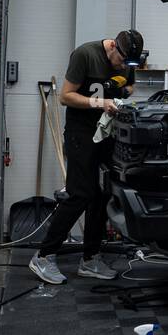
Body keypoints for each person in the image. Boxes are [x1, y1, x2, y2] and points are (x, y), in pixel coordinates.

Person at [29, 29, 146, 285]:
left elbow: (130, 85)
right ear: (113, 46)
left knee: (102, 194)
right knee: (80, 193)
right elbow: (65, 97)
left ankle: (91, 259)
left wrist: (123, 96)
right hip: (81, 133)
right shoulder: (86, 54)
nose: (124, 66)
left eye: (129, 64)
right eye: (121, 60)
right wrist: (100, 103)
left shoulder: (129, 59)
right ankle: (44, 255)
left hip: (107, 130)